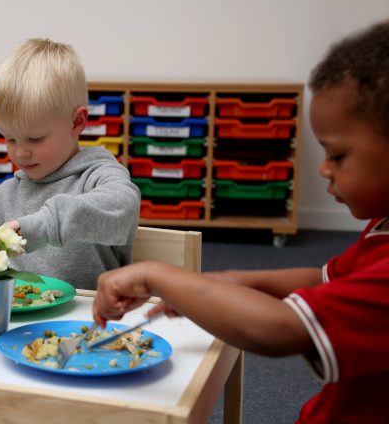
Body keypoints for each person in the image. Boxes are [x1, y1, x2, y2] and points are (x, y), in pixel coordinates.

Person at [93, 21, 389, 423]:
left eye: (337, 155)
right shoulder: (381, 229)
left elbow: (281, 328)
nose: (323, 170)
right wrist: (220, 282)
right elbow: (323, 280)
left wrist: (155, 275)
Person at [0, 38, 140, 289]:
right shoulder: (4, 197)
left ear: (77, 122)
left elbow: (122, 208)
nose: (20, 153)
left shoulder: (98, 176)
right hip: (19, 322)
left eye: (35, 139)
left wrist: (45, 225)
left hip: (91, 319)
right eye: (10, 138)